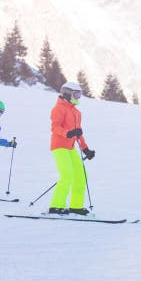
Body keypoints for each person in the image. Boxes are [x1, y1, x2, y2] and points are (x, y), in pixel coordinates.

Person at [49, 82, 95, 215]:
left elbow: (79, 133)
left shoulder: (76, 112)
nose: (78, 97)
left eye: (80, 94)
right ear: (68, 94)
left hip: (70, 148)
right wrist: (68, 133)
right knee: (67, 175)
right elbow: (55, 127)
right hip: (58, 146)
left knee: (80, 176)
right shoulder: (59, 108)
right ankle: (56, 206)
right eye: (76, 94)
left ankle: (76, 206)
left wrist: (86, 149)